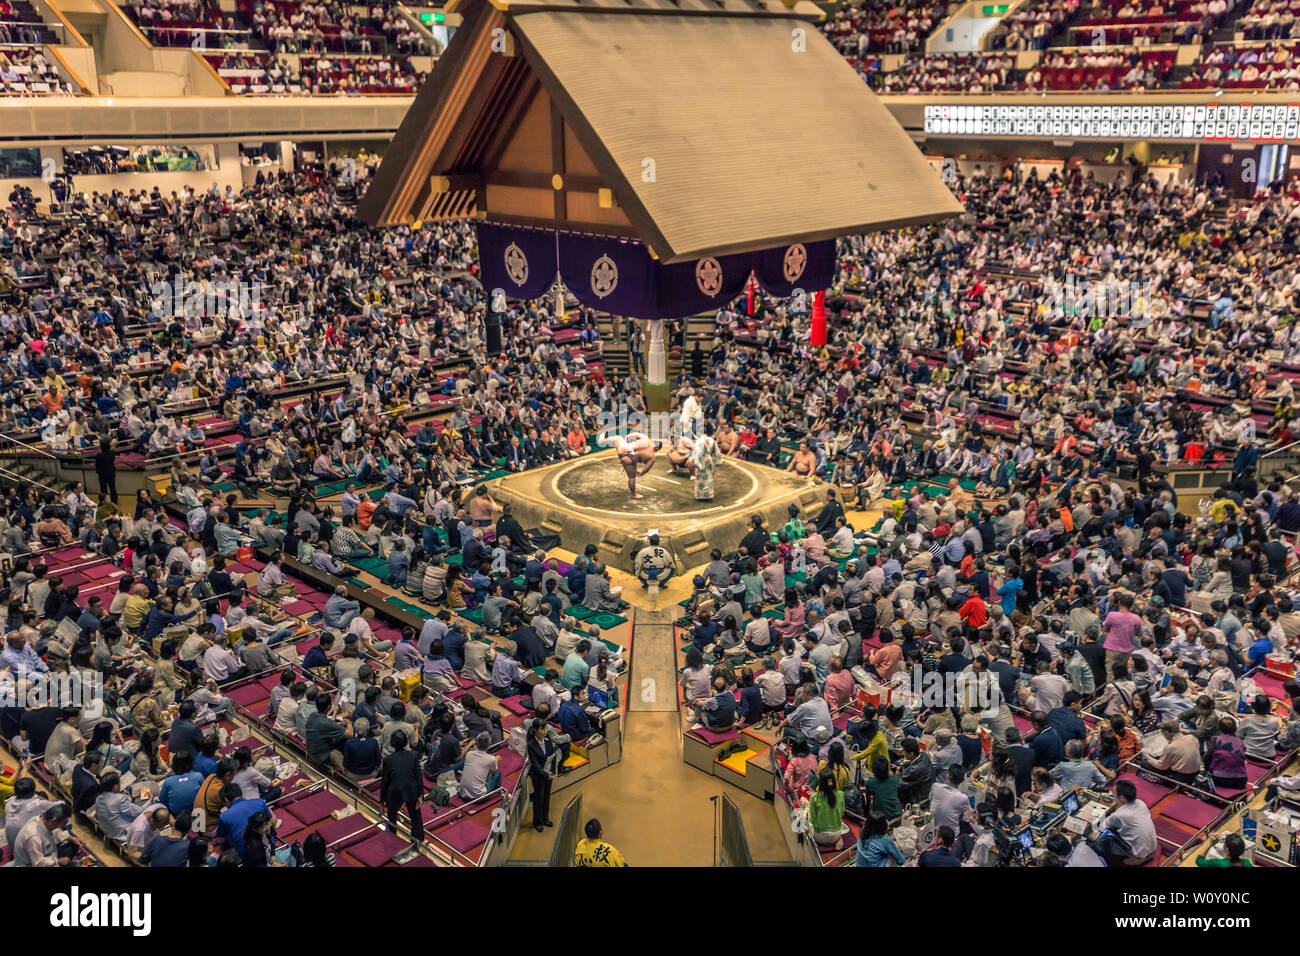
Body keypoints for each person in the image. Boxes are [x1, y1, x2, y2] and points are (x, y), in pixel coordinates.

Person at [1098, 778, 1158, 867]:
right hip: (1152, 846)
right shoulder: (1141, 803)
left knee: (1102, 840)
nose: (1112, 796)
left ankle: (1133, 861)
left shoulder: (1120, 815)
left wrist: (1098, 812)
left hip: (1138, 853)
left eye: (1113, 794)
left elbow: (1101, 826)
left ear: (1122, 798)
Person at [380, 729, 424, 846]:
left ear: (392, 743)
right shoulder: (414, 756)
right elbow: (418, 777)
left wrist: (382, 801)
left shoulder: (388, 759)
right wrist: (420, 795)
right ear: (406, 742)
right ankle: (417, 843)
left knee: (392, 815)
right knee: (415, 817)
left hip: (395, 790)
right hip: (410, 789)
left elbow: (385, 782)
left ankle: (392, 837)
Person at [527, 716, 557, 832]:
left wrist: (553, 771)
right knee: (539, 799)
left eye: (545, 729)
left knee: (546, 797)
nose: (544, 731)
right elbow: (535, 765)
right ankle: (538, 822)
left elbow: (553, 756)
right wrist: (546, 774)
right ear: (535, 730)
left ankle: (545, 818)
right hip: (539, 776)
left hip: (549, 773)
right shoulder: (531, 745)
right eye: (542, 729)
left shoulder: (548, 739)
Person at [807, 767, 849, 848]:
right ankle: (838, 840)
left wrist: (808, 812)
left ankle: (824, 842)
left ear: (821, 782)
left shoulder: (814, 797)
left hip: (819, 837)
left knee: (804, 823)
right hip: (836, 834)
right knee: (842, 826)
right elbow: (842, 814)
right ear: (833, 781)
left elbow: (811, 819)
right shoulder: (841, 794)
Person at [614, 431, 657, 498]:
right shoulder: (652, 457)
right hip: (630, 459)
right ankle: (634, 494)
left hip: (623, 451)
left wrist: (627, 436)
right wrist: (641, 474)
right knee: (632, 477)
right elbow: (647, 467)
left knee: (618, 438)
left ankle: (603, 439)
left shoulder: (646, 439)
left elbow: (636, 434)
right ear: (657, 448)